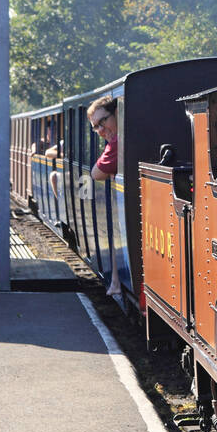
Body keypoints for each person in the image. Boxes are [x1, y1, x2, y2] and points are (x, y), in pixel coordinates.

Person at [88, 96, 122, 299]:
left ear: (118, 113)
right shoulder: (115, 141)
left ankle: (117, 283)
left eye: (103, 121)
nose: (100, 130)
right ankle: (116, 282)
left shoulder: (118, 141)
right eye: (95, 126)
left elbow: (96, 173)